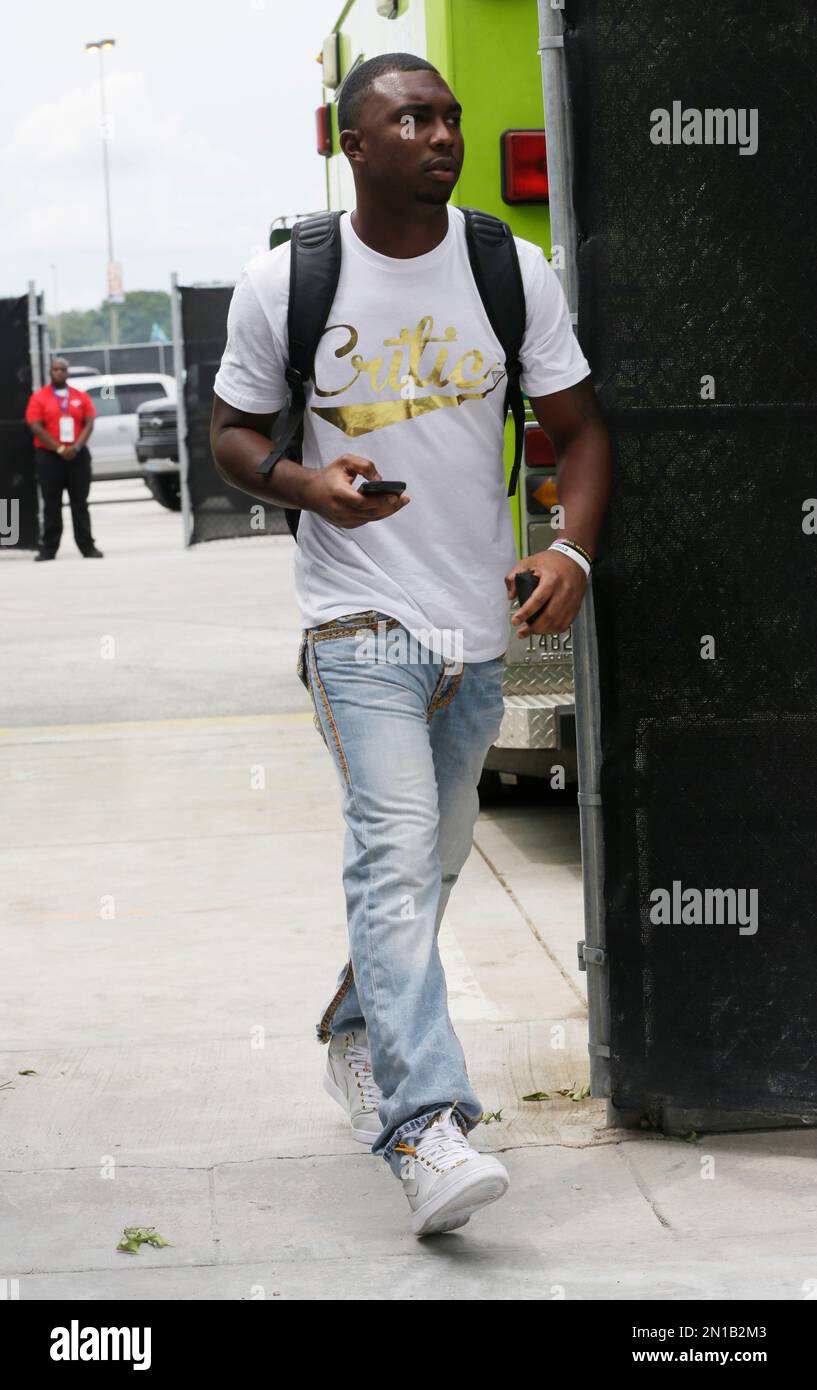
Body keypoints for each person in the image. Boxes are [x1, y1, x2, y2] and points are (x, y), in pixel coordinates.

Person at [211, 52, 612, 1237]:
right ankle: (425, 1126)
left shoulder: (507, 269)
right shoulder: (287, 279)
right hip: (354, 621)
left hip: (473, 629)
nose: (440, 133)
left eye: (447, 116)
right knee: (392, 854)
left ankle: (353, 1031)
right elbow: (231, 433)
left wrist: (569, 553)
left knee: (427, 870)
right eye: (409, 117)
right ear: (353, 143)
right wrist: (302, 483)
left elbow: (580, 433)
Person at [25, 356, 102, 560]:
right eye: (55, 369)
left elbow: (89, 422)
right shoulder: (40, 397)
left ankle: (87, 546)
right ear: (50, 372)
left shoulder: (80, 396)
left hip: (77, 456)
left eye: (63, 369)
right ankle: (49, 548)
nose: (59, 372)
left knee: (80, 503)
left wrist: (76, 447)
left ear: (67, 372)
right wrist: (59, 448)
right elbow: (35, 426)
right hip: (50, 457)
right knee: (52, 504)